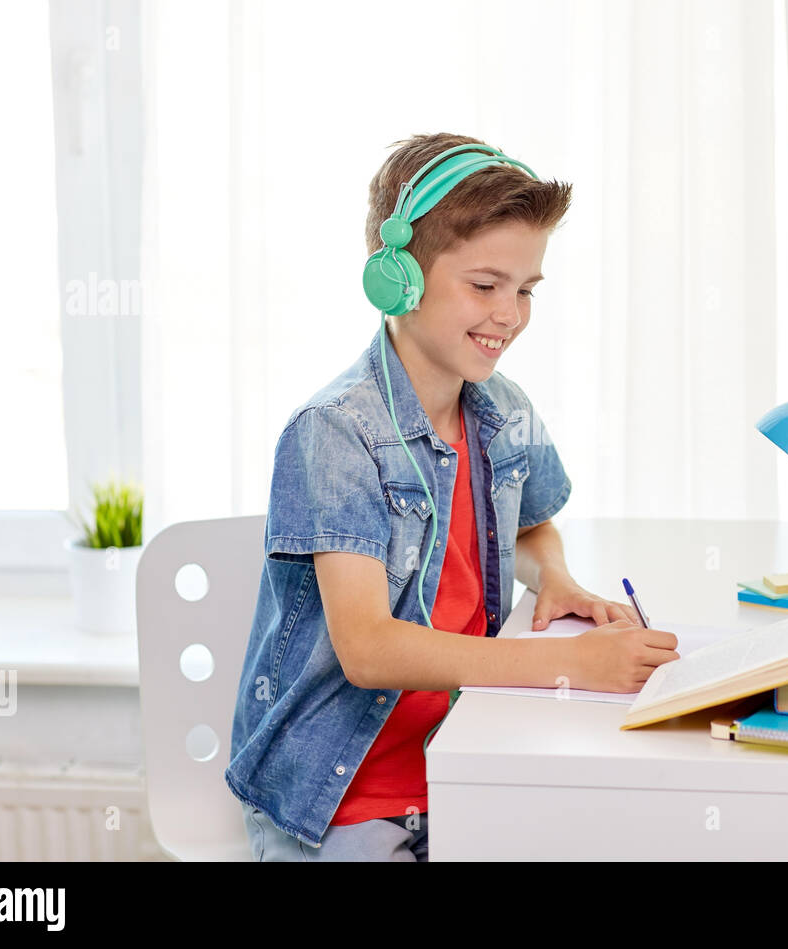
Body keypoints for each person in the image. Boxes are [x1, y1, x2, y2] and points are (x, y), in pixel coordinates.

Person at [226, 133, 680, 861]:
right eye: (486, 285)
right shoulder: (336, 431)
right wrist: (574, 663)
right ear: (398, 279)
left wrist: (555, 577)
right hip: (344, 801)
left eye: (526, 290)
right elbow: (368, 650)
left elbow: (531, 524)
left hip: (464, 763)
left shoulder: (503, 407)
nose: (511, 314)